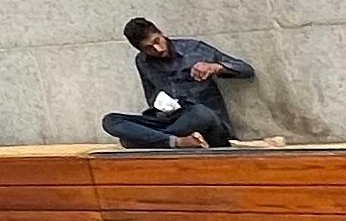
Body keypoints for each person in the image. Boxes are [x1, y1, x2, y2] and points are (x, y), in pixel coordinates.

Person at [103, 15, 252, 150]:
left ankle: (148, 140)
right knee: (111, 121)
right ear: (141, 50)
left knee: (201, 113)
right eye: (149, 48)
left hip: (204, 122)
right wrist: (161, 107)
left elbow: (246, 70)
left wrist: (215, 67)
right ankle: (176, 142)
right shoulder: (142, 61)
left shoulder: (194, 49)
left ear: (161, 33)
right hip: (171, 121)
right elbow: (151, 96)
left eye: (157, 41)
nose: (158, 49)